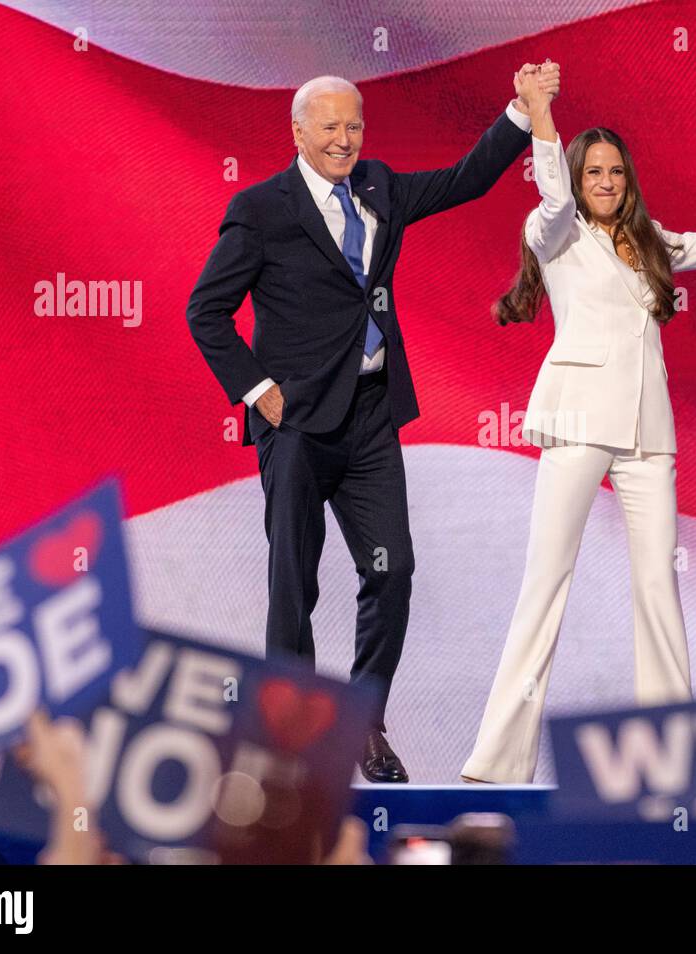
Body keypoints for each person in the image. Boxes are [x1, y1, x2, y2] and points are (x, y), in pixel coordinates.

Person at [187, 69, 555, 782]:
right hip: (295, 424)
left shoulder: (381, 188)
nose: (344, 139)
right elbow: (205, 309)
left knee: (393, 571)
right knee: (294, 582)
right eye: (328, 127)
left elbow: (465, 180)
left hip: (368, 418)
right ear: (298, 133)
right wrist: (259, 391)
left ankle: (363, 720)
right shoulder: (261, 208)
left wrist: (520, 109)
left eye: (353, 126)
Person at [462, 64, 696, 783]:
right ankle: (499, 763)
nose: (605, 181)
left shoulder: (651, 240)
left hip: (646, 433)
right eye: (592, 171)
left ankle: (670, 758)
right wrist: (540, 113)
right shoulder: (556, 232)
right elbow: (551, 193)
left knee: (659, 581)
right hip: (576, 419)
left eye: (614, 171)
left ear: (628, 179)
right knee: (546, 582)